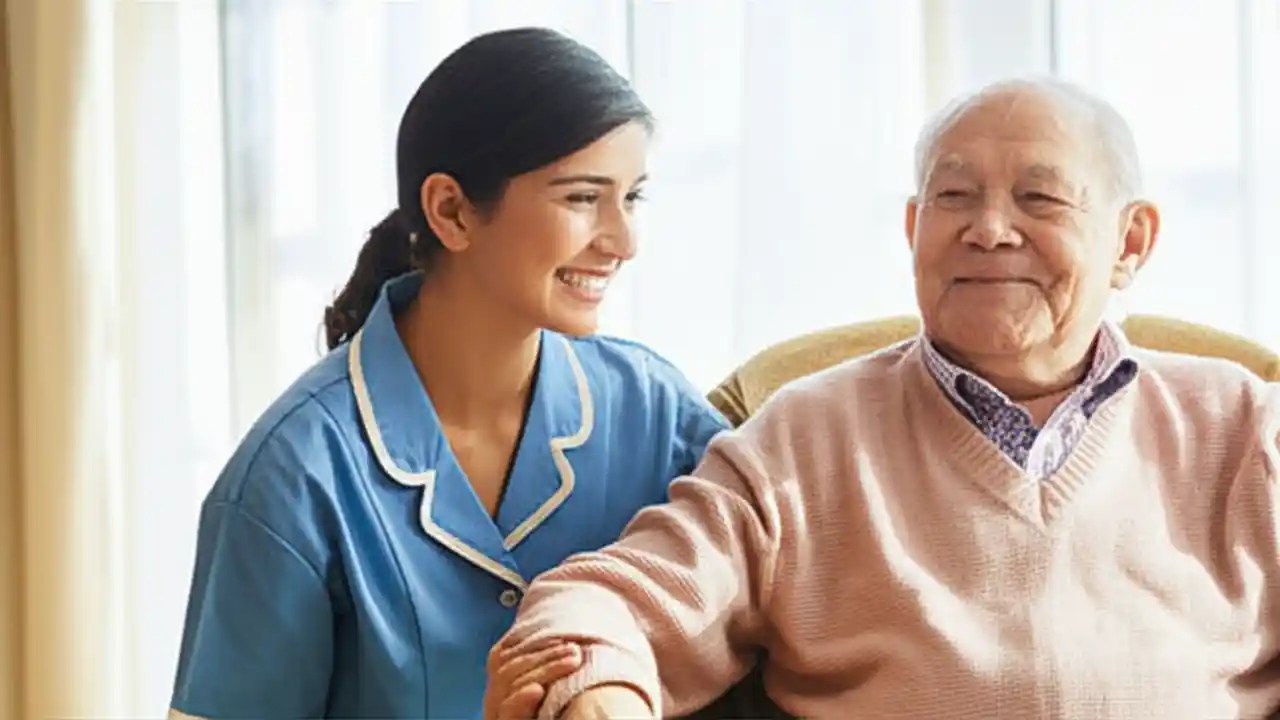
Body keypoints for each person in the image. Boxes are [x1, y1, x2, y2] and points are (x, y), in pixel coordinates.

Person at [486, 77, 1280, 720]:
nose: (989, 230)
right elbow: (604, 600)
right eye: (954, 197)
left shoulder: (1244, 428)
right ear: (913, 228)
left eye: (1040, 200)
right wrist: (595, 687)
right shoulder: (803, 437)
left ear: (1131, 240)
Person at [167, 27, 728, 720]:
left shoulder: (657, 415)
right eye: (584, 198)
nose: (624, 241)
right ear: (451, 211)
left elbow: (791, 569)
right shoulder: (292, 479)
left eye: (632, 197)